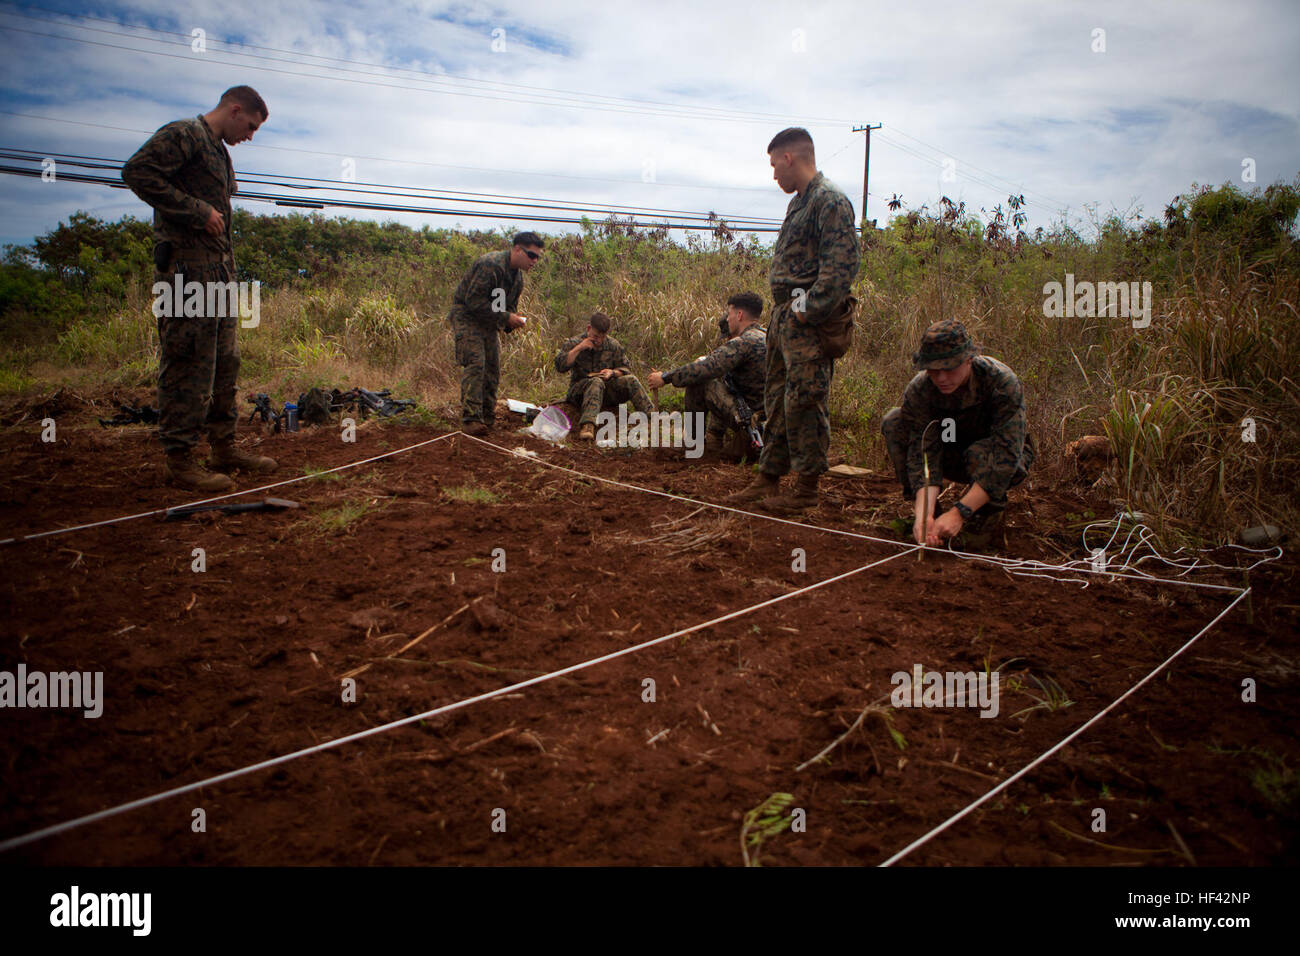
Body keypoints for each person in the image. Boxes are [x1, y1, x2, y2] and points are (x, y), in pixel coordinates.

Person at [122, 85, 275, 492]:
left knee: (225, 364)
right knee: (188, 364)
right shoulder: (184, 134)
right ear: (235, 109)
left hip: (219, 274)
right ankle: (181, 460)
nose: (251, 136)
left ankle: (223, 448)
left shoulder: (219, 152)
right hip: (185, 274)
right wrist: (196, 210)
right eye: (251, 126)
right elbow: (136, 172)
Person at [724, 127, 860, 512]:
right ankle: (768, 477)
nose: (773, 176)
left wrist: (806, 312)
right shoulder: (799, 203)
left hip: (807, 322)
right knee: (778, 399)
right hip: (786, 318)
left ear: (789, 158)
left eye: (773, 165)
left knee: (806, 400)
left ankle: (805, 490)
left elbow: (841, 269)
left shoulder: (829, 200)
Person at [881, 319, 1036, 546]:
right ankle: (934, 523)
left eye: (949, 368)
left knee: (980, 452)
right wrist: (924, 515)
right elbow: (923, 454)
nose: (941, 378)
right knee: (894, 421)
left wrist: (960, 512)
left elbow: (1006, 455)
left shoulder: (1001, 383)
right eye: (933, 370)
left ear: (969, 360)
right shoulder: (920, 389)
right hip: (952, 451)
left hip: (997, 459)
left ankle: (985, 517)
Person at [647, 292, 766, 459]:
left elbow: (705, 368)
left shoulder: (743, 342)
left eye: (730, 314)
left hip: (752, 424)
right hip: (772, 421)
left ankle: (693, 444)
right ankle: (715, 438)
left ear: (739, 315)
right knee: (725, 382)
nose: (728, 319)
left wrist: (665, 377)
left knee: (701, 382)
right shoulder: (769, 336)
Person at [448, 232, 543, 436]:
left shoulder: (516, 279)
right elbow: (473, 301)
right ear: (517, 249)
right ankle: (471, 419)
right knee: (476, 363)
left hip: (489, 322)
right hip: (467, 317)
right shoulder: (491, 265)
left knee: (492, 368)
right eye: (531, 255)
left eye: (538, 257)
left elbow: (506, 309)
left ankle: (486, 418)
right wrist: (506, 317)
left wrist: (512, 321)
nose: (534, 261)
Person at [554, 312, 654, 440]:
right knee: (596, 382)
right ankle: (588, 425)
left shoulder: (612, 345)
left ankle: (651, 417)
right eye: (595, 336)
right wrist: (579, 348)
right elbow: (560, 366)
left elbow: (626, 368)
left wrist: (612, 373)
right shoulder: (574, 343)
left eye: (602, 337)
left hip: (605, 391)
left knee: (631, 380)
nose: (599, 341)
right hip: (579, 392)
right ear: (589, 329)